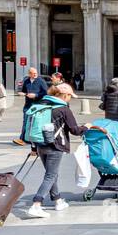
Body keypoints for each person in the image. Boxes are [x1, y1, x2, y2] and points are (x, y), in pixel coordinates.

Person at [24, 83, 88, 219]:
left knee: (51, 174)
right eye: (70, 96)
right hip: (55, 146)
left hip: (40, 145)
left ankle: (58, 200)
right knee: (50, 175)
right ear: (65, 95)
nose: (70, 99)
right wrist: (87, 127)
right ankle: (36, 204)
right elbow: (75, 130)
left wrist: (34, 147)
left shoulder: (41, 105)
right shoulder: (63, 109)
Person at [13, 67, 49, 147]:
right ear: (29, 74)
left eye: (36, 73)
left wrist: (35, 95)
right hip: (28, 105)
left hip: (38, 105)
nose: (35, 74)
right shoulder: (26, 81)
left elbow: (46, 93)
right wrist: (23, 93)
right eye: (33, 73)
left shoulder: (41, 81)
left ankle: (39, 139)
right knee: (25, 122)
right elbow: (24, 91)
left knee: (37, 123)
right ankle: (22, 139)